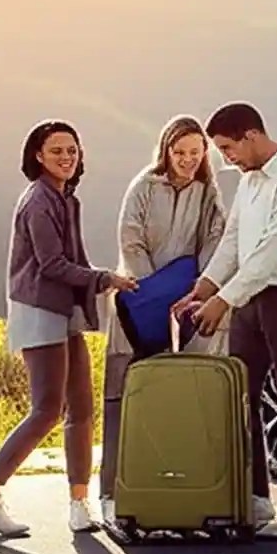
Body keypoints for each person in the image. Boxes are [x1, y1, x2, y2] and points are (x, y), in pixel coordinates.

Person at [0, 120, 138, 537]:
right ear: (38, 155)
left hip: (64, 308)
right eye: (56, 150)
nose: (66, 157)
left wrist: (94, 282)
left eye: (72, 150)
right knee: (46, 410)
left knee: (81, 407)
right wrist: (105, 278)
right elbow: (51, 265)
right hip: (39, 308)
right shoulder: (38, 201)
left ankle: (79, 505)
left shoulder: (64, 198)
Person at [172, 102, 277, 539]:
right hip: (249, 302)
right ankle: (257, 499)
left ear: (251, 136)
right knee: (242, 397)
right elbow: (235, 241)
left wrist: (222, 302)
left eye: (227, 148)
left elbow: (267, 255)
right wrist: (203, 288)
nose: (226, 159)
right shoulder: (248, 181)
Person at [97, 115, 229, 524]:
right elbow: (130, 239)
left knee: (176, 396)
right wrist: (152, 289)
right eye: (180, 152)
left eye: (195, 152)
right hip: (137, 304)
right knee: (124, 395)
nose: (187, 160)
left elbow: (215, 239)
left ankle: (173, 486)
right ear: (165, 151)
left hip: (184, 308)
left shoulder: (208, 192)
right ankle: (111, 492)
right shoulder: (143, 187)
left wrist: (195, 288)